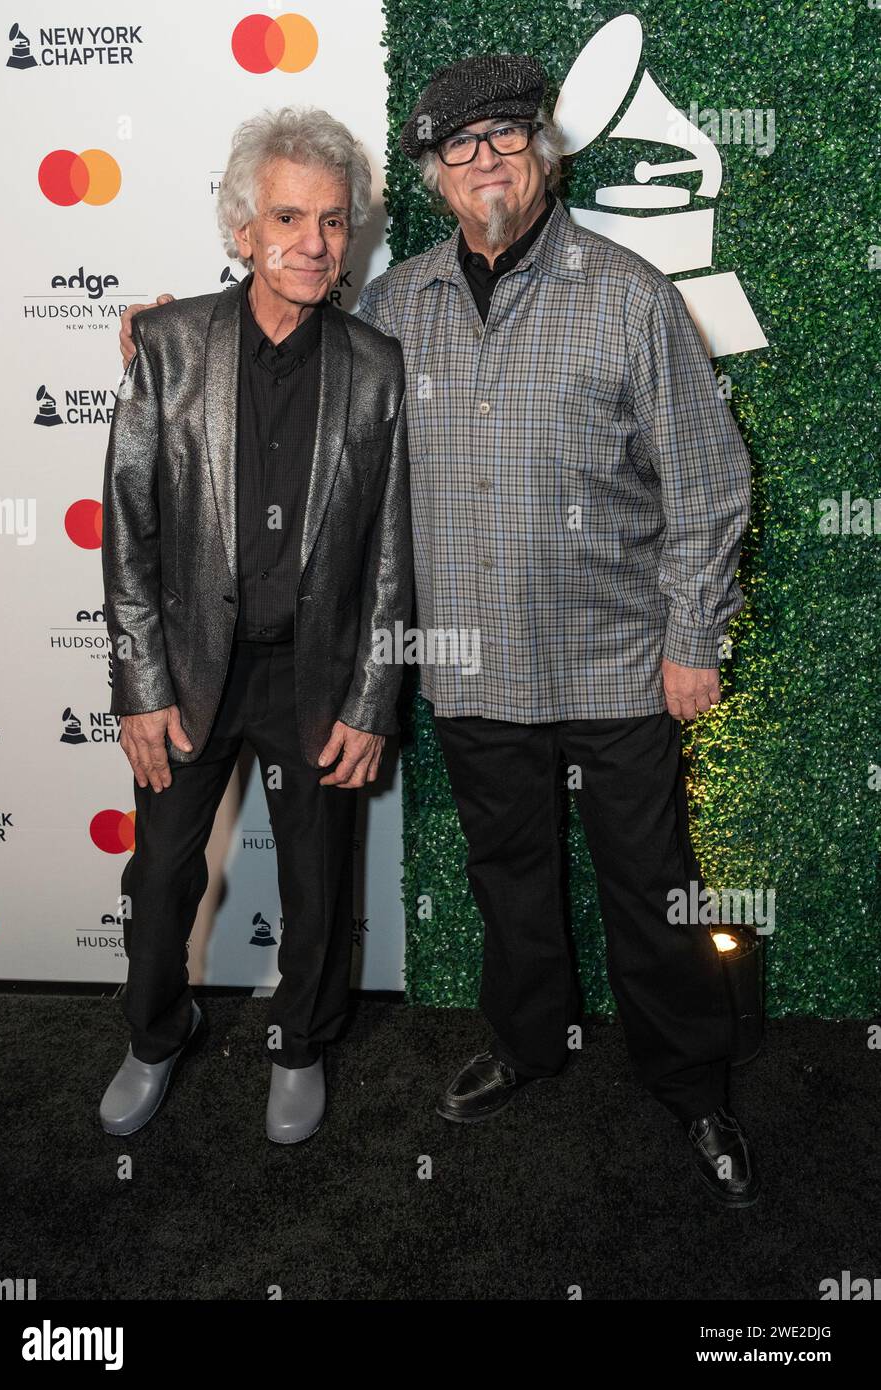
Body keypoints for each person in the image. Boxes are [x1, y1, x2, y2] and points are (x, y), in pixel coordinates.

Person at [118, 58, 758, 1206]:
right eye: (460, 150)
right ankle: (526, 1042)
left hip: (615, 660)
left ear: (543, 155)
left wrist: (693, 634)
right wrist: (166, 324)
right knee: (509, 880)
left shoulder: (631, 295)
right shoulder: (391, 306)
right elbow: (274, 352)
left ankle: (693, 1085)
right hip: (464, 668)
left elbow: (711, 482)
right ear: (434, 178)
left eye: (508, 138)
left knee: (653, 889)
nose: (488, 162)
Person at [100, 107, 411, 1145]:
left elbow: (390, 552)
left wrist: (373, 697)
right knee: (158, 879)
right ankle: (154, 1033)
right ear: (242, 230)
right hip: (191, 670)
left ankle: (300, 1041)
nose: (314, 242)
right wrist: (139, 685)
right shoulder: (169, 347)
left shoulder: (376, 366)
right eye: (288, 216)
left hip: (315, 674)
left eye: (331, 220)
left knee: (318, 884)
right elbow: (129, 529)